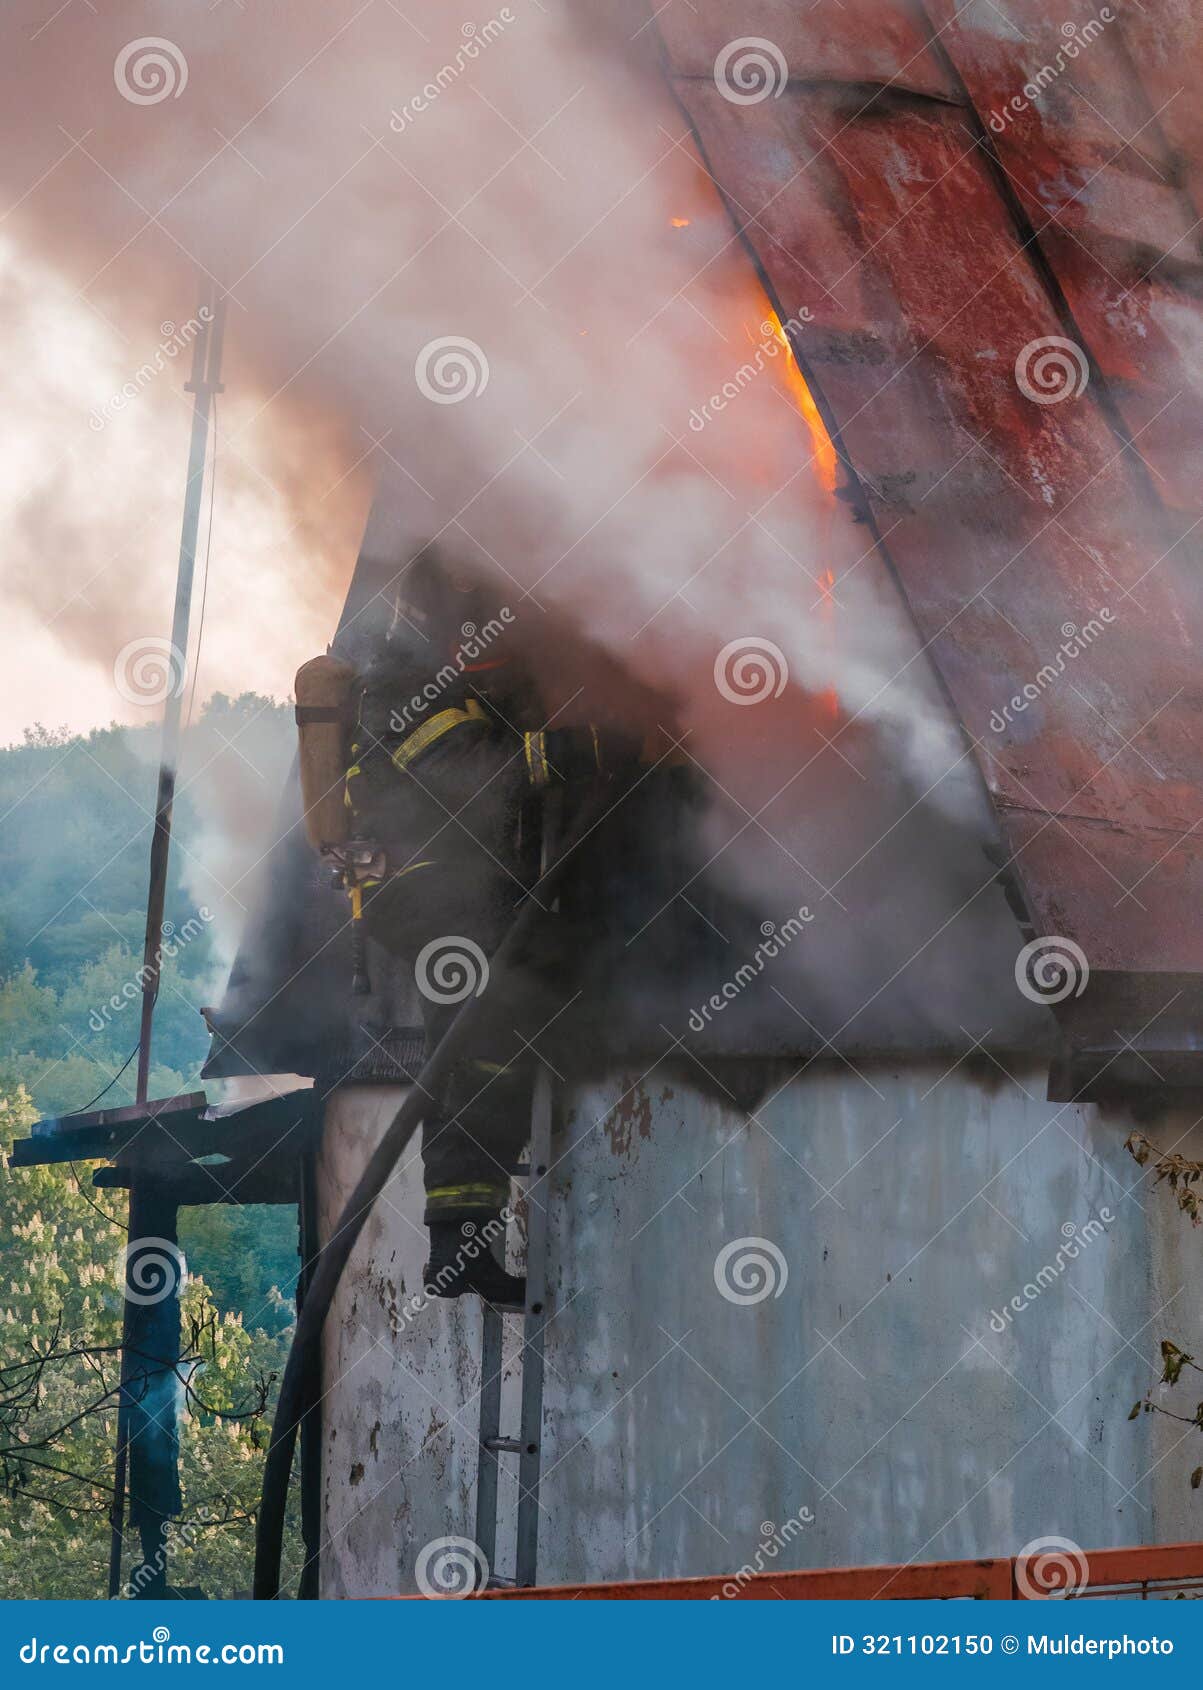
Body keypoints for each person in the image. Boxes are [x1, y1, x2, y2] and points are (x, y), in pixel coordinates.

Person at [344, 545, 606, 1304]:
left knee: (489, 1046)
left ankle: (464, 1244)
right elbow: (478, 774)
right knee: (470, 1049)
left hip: (460, 898)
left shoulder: (456, 683)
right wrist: (593, 747)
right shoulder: (400, 686)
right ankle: (458, 1247)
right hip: (426, 894)